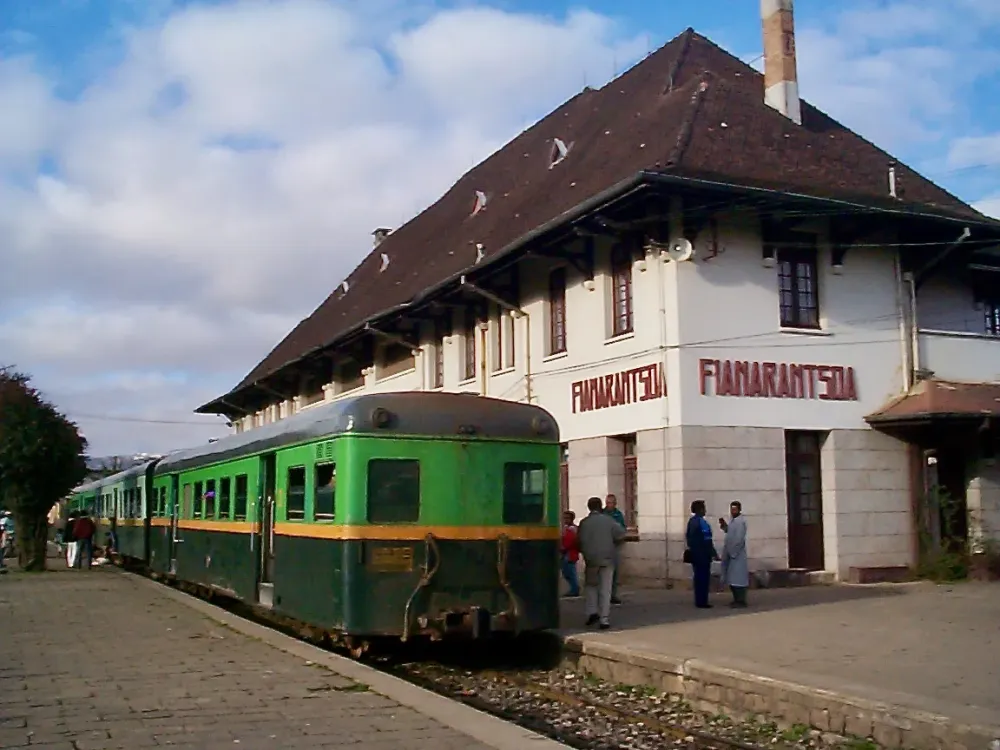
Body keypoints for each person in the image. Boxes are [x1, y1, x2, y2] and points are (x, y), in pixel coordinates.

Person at [577, 496, 626, 629]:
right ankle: (604, 619)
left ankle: (592, 612)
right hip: (607, 558)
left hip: (591, 559)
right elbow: (621, 534)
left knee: (591, 586)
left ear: (589, 508)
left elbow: (579, 541)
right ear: (600, 506)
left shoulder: (584, 523)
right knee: (606, 589)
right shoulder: (609, 521)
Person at [685, 500, 718, 609]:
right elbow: (707, 539)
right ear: (700, 510)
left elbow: (688, 538)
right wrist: (713, 553)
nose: (705, 510)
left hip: (695, 553)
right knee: (703, 578)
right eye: (704, 508)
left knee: (698, 577)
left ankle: (699, 600)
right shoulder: (701, 522)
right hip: (703, 554)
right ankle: (703, 601)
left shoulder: (691, 522)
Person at [719, 500, 749, 607]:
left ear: (739, 510)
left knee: (739, 579)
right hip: (731, 554)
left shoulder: (741, 522)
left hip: (737, 555)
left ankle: (741, 600)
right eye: (731, 509)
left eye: (735, 509)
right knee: (732, 579)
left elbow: (739, 539)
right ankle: (736, 599)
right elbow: (730, 532)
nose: (733, 511)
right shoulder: (733, 521)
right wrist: (724, 526)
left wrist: (732, 552)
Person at [604, 494, 626, 604]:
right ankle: (603, 595)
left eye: (611, 503)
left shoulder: (618, 515)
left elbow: (622, 529)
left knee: (614, 572)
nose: (609, 505)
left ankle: (613, 594)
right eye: (608, 503)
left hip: (615, 545)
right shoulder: (602, 514)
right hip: (603, 545)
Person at [560, 510, 581, 598]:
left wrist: (563, 547)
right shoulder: (566, 528)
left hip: (570, 552)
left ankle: (575, 589)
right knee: (567, 571)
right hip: (567, 552)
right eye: (564, 518)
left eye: (567, 518)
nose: (565, 520)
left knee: (570, 572)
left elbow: (570, 541)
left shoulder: (572, 529)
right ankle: (574, 588)